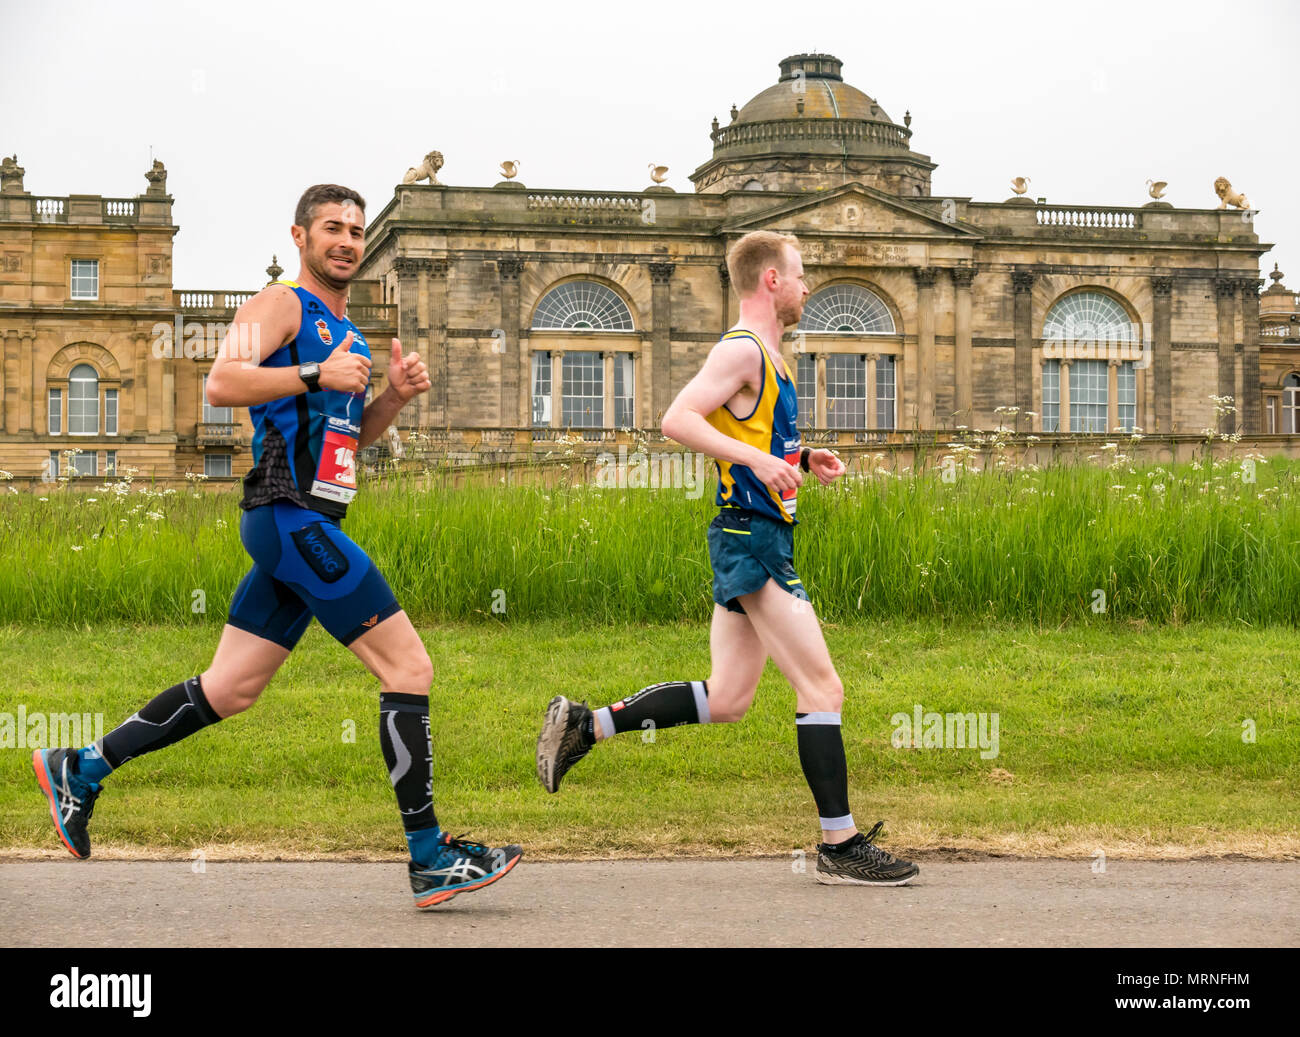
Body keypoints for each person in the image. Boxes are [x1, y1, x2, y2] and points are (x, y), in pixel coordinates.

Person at [33, 184, 521, 908]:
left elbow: (351, 439)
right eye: (332, 228)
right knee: (409, 665)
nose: (347, 241)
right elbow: (221, 383)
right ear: (301, 235)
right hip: (289, 516)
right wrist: (314, 372)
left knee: (231, 687)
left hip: (309, 521)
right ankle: (429, 857)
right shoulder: (281, 304)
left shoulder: (350, 334)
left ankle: (81, 766)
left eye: (356, 230)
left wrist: (392, 397)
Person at [535, 230, 918, 885]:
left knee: (730, 696)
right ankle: (839, 842)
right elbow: (677, 419)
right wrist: (761, 459)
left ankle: (584, 724)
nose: (806, 286)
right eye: (798, 274)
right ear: (771, 279)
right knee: (822, 688)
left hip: (752, 530)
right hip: (752, 538)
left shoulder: (768, 358)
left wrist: (797, 457)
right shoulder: (742, 350)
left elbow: (748, 433)